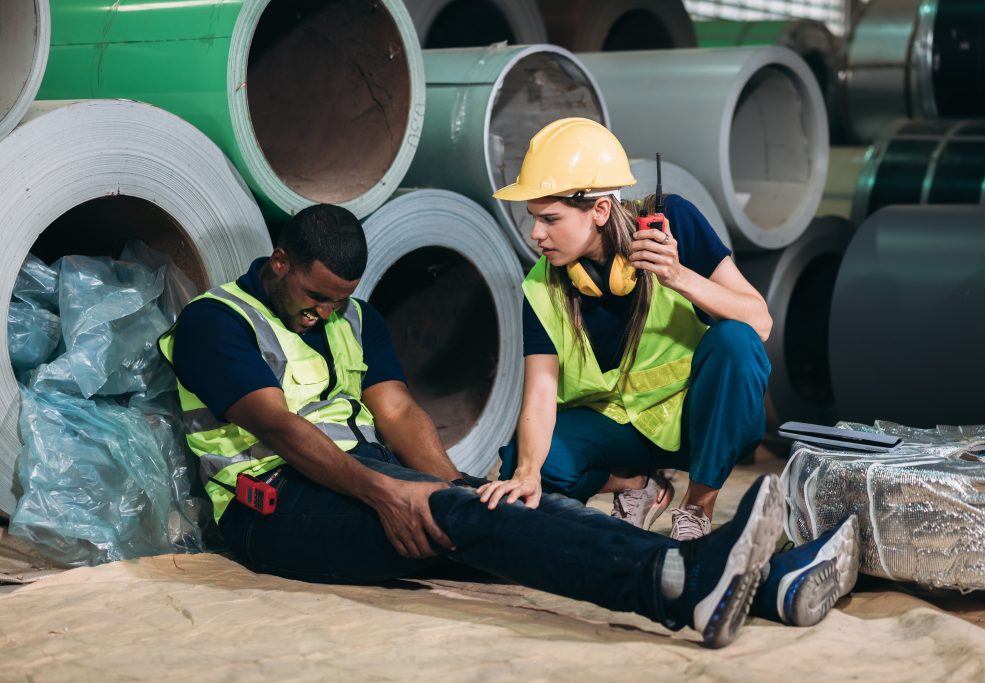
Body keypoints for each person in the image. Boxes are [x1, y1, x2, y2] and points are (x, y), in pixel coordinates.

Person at [156, 203, 850, 647]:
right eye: (314, 297)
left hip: (360, 473)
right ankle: (680, 581)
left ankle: (767, 578)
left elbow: (396, 409)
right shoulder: (215, 322)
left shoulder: (354, 318)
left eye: (339, 302)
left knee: (493, 510)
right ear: (279, 262)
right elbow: (280, 429)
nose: (325, 316)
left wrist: (447, 481)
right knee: (474, 521)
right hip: (270, 506)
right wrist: (389, 494)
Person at [478, 117, 771, 543]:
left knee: (736, 340)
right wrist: (526, 472)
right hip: (621, 431)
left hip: (702, 425)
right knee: (524, 470)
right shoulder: (542, 285)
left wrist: (679, 276)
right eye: (533, 218)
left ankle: (697, 504)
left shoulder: (675, 225)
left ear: (599, 210)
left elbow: (760, 322)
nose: (536, 234)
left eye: (550, 219)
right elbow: (540, 394)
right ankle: (635, 482)